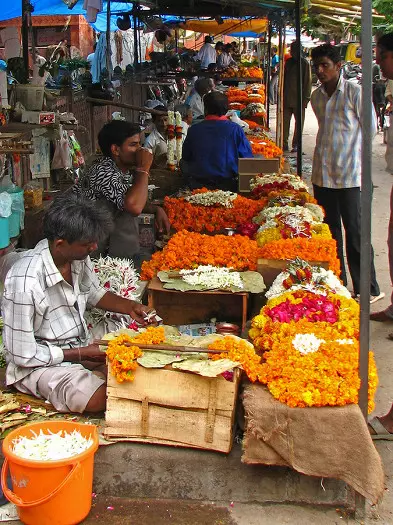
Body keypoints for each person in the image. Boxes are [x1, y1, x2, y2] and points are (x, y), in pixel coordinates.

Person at [2, 194, 155, 414]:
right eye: (87, 244)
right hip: (38, 365)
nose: (94, 247)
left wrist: (130, 307)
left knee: (135, 372)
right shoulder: (25, 281)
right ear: (61, 244)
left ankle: (93, 372)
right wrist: (80, 354)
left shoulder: (76, 259)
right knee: (103, 397)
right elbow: (23, 355)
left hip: (77, 348)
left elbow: (93, 293)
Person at [310, 43, 383, 304]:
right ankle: (337, 283)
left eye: (325, 65)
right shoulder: (316, 97)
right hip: (323, 174)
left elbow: (370, 130)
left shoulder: (355, 92)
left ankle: (368, 288)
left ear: (338, 66)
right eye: (316, 66)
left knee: (356, 233)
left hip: (352, 175)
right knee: (330, 234)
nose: (320, 71)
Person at [73, 120, 170, 267]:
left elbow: (125, 196)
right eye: (133, 145)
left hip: (102, 241)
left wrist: (156, 209)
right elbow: (133, 206)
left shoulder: (120, 170)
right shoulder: (103, 171)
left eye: (139, 144)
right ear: (115, 150)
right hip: (85, 246)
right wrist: (143, 168)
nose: (139, 150)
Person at [181, 91, 253, 192]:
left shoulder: (194, 129)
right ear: (226, 109)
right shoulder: (235, 130)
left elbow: (185, 157)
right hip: (228, 186)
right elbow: (247, 158)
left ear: (205, 109)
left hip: (198, 187)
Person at [283, 41, 312, 152]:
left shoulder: (304, 63)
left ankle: (296, 144)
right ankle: (284, 143)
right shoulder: (288, 62)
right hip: (287, 97)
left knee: (299, 124)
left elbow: (307, 83)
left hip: (299, 99)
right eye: (292, 50)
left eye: (295, 50)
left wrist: (306, 99)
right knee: (285, 123)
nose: (293, 53)